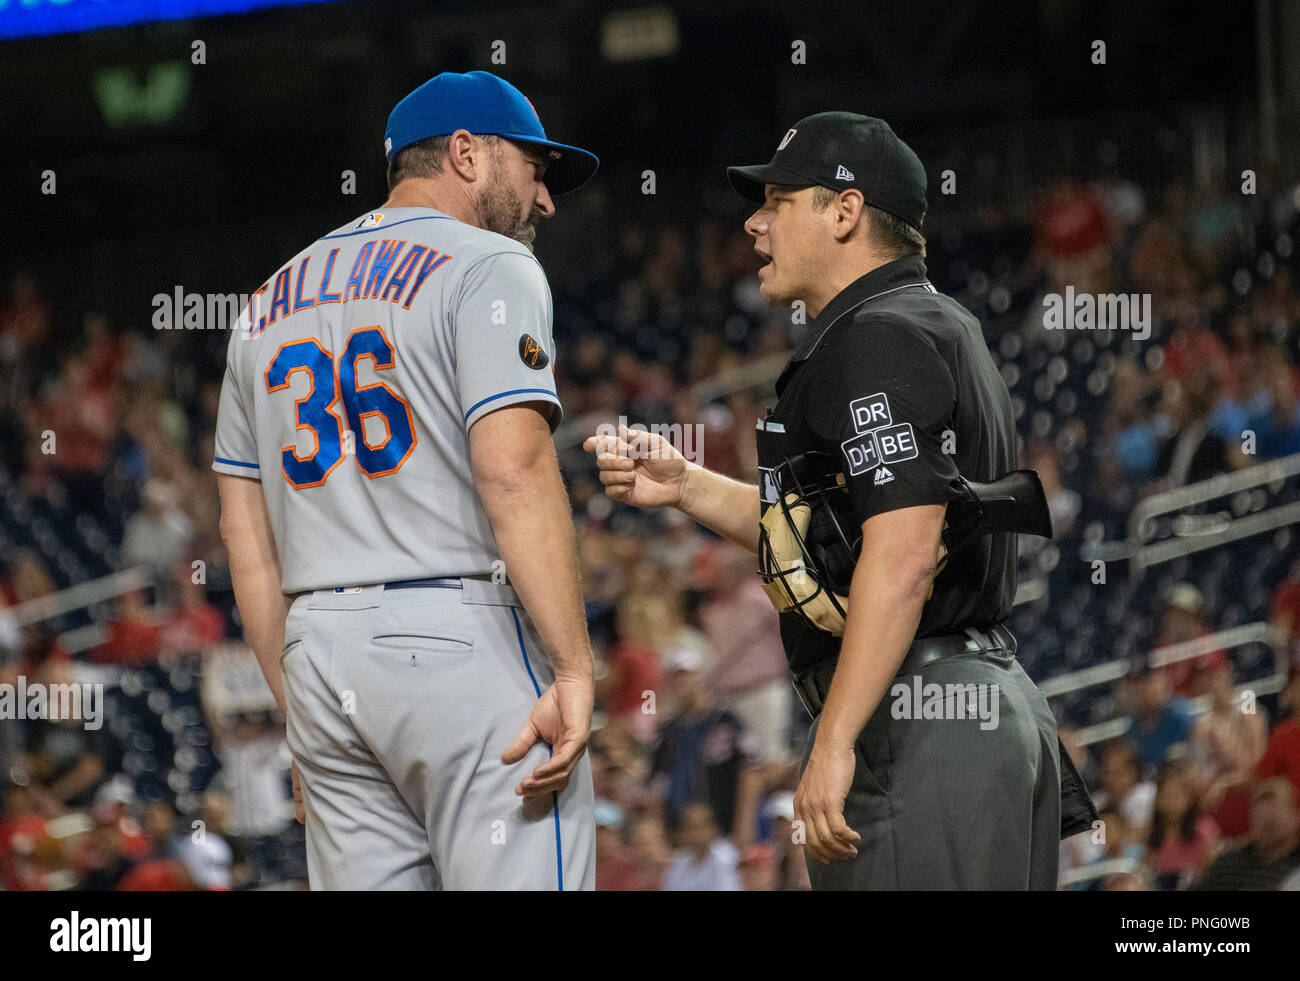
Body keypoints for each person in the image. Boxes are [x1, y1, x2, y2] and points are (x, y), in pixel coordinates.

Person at [585, 112, 1092, 889]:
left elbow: (904, 553)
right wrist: (687, 486)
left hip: (919, 719)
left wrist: (835, 739)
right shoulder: (929, 319)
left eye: (779, 201)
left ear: (845, 211)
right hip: (968, 704)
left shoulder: (877, 335)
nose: (755, 223)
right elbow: (833, 533)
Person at [213, 71, 600, 890]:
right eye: (534, 168)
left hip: (318, 651)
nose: (547, 199)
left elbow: (246, 543)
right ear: (467, 152)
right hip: (459, 635)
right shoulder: (490, 263)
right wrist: (573, 667)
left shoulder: (264, 302)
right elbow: (513, 469)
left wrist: (306, 717)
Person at [1192, 778, 1300, 890]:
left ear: (1296, 818)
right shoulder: (1228, 864)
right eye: (1261, 818)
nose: (1266, 823)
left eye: (1274, 821)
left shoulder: (1296, 870)